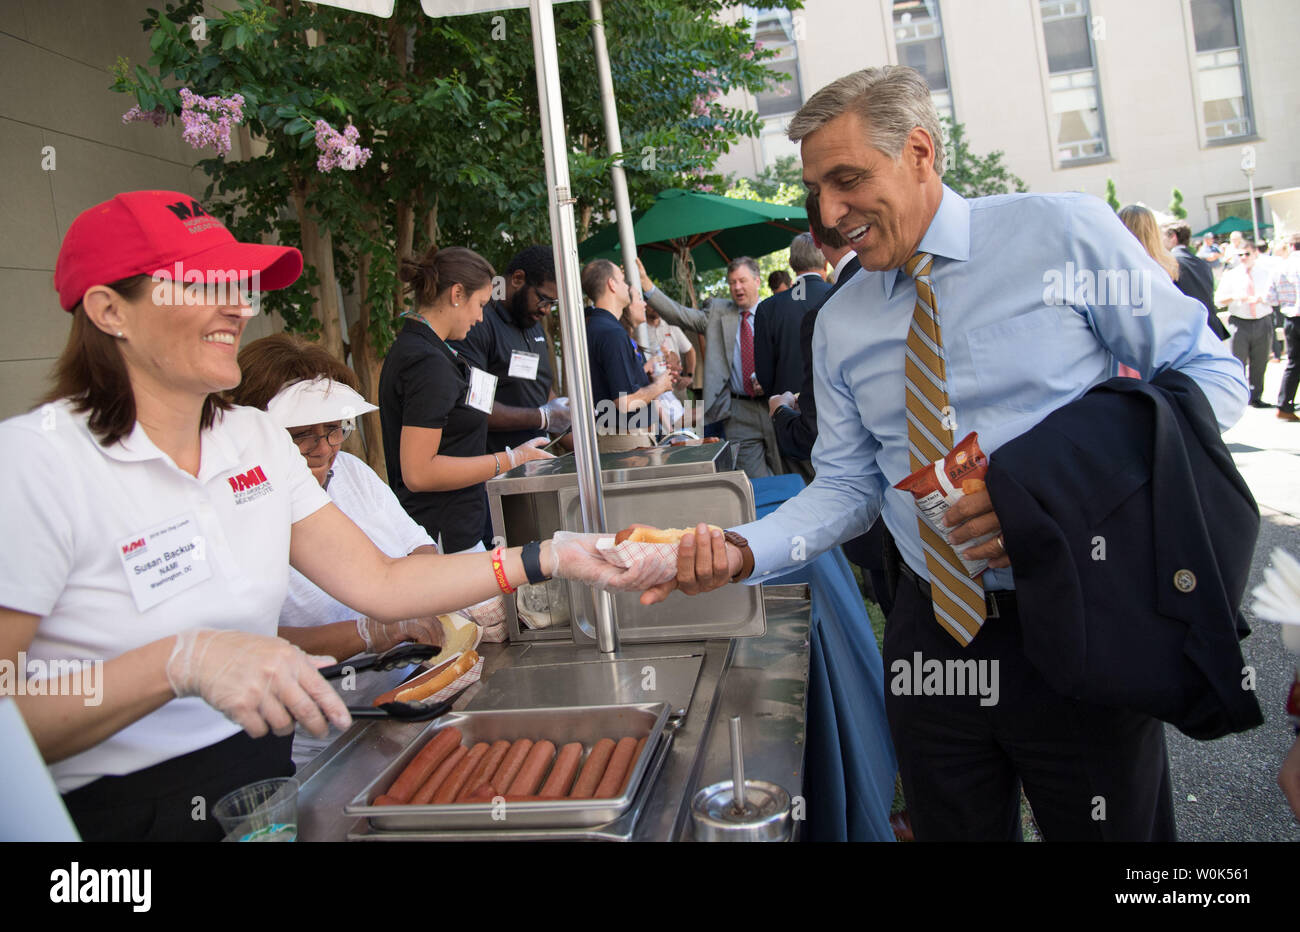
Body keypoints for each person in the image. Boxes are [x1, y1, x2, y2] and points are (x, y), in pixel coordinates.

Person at [635, 66, 1248, 842]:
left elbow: (1211, 375)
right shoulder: (843, 320)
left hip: (1078, 612)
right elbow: (850, 485)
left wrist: (1062, 481)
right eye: (816, 188)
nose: (827, 214)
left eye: (847, 179)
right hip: (932, 632)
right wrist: (738, 548)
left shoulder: (1063, 234)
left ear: (920, 151)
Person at [0, 190, 650, 841]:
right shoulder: (35, 463)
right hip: (113, 813)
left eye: (241, 283)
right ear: (109, 310)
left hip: (265, 779)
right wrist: (179, 663)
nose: (241, 305)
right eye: (203, 283)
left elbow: (382, 582)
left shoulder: (250, 437)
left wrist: (548, 557)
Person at [378, 245, 554, 554]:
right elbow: (419, 472)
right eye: (481, 304)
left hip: (457, 527)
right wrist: (511, 459)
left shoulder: (428, 349)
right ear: (457, 294)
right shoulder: (425, 361)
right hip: (444, 534)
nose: (480, 317)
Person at [640, 255, 784, 477]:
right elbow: (680, 315)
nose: (737, 287)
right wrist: (648, 287)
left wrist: (771, 380)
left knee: (787, 472)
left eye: (742, 281)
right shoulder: (718, 313)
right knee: (756, 483)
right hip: (737, 412)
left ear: (757, 281)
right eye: (732, 282)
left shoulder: (775, 311)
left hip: (776, 404)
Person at [449, 245, 571, 454]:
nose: (546, 310)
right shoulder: (478, 324)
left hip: (535, 463)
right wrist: (543, 417)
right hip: (495, 466)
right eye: (543, 298)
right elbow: (476, 406)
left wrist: (565, 416)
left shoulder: (531, 322)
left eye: (553, 303)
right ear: (517, 279)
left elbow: (539, 390)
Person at [581, 259, 674, 450]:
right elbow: (625, 402)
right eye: (623, 280)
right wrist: (660, 385)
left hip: (620, 436)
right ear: (612, 284)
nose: (627, 286)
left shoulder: (596, 328)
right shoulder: (611, 333)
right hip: (628, 441)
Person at [1215, 239, 1277, 407]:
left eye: (1247, 254)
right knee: (1238, 361)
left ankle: (1256, 396)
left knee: (1260, 361)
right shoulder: (1231, 275)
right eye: (1240, 255)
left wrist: (1261, 298)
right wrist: (1235, 297)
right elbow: (1219, 300)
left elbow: (1274, 296)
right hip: (1240, 322)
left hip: (1262, 320)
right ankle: (1238, 396)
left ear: (1255, 253)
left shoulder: (1266, 273)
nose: (1243, 257)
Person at [1161, 219, 1229, 340]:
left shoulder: (1170, 263)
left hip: (1188, 332)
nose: (1161, 241)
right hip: (1211, 328)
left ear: (1173, 237)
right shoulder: (1202, 262)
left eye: (1163, 237)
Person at [639, 303, 696, 404]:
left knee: (687, 416)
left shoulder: (671, 326)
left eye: (657, 303)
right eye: (651, 304)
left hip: (675, 382)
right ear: (645, 305)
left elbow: (690, 350)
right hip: (651, 384)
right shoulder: (640, 330)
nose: (655, 307)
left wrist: (689, 376)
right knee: (659, 418)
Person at [1273, 235, 1300, 420]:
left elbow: (1271, 298)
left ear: (1290, 246)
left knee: (1293, 363)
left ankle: (1284, 405)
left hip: (1290, 319)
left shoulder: (1280, 267)